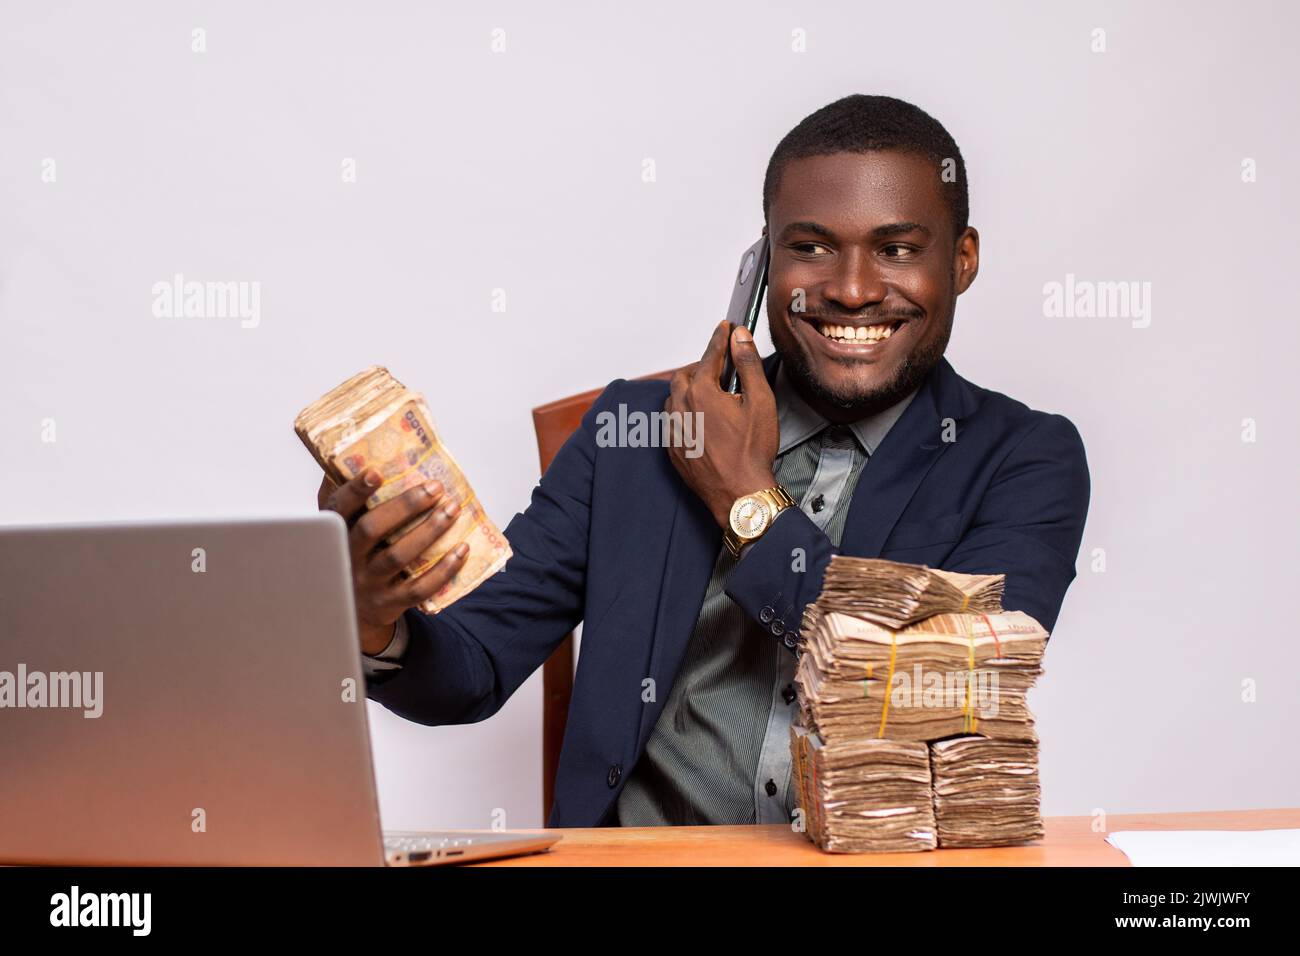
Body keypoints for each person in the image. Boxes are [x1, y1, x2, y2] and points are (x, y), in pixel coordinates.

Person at [318, 94, 1091, 827]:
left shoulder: (1024, 460)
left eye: (896, 249)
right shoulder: (632, 432)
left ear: (961, 261)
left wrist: (746, 501)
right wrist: (376, 618)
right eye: (811, 247)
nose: (852, 290)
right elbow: (473, 667)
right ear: (760, 270)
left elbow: (940, 686)